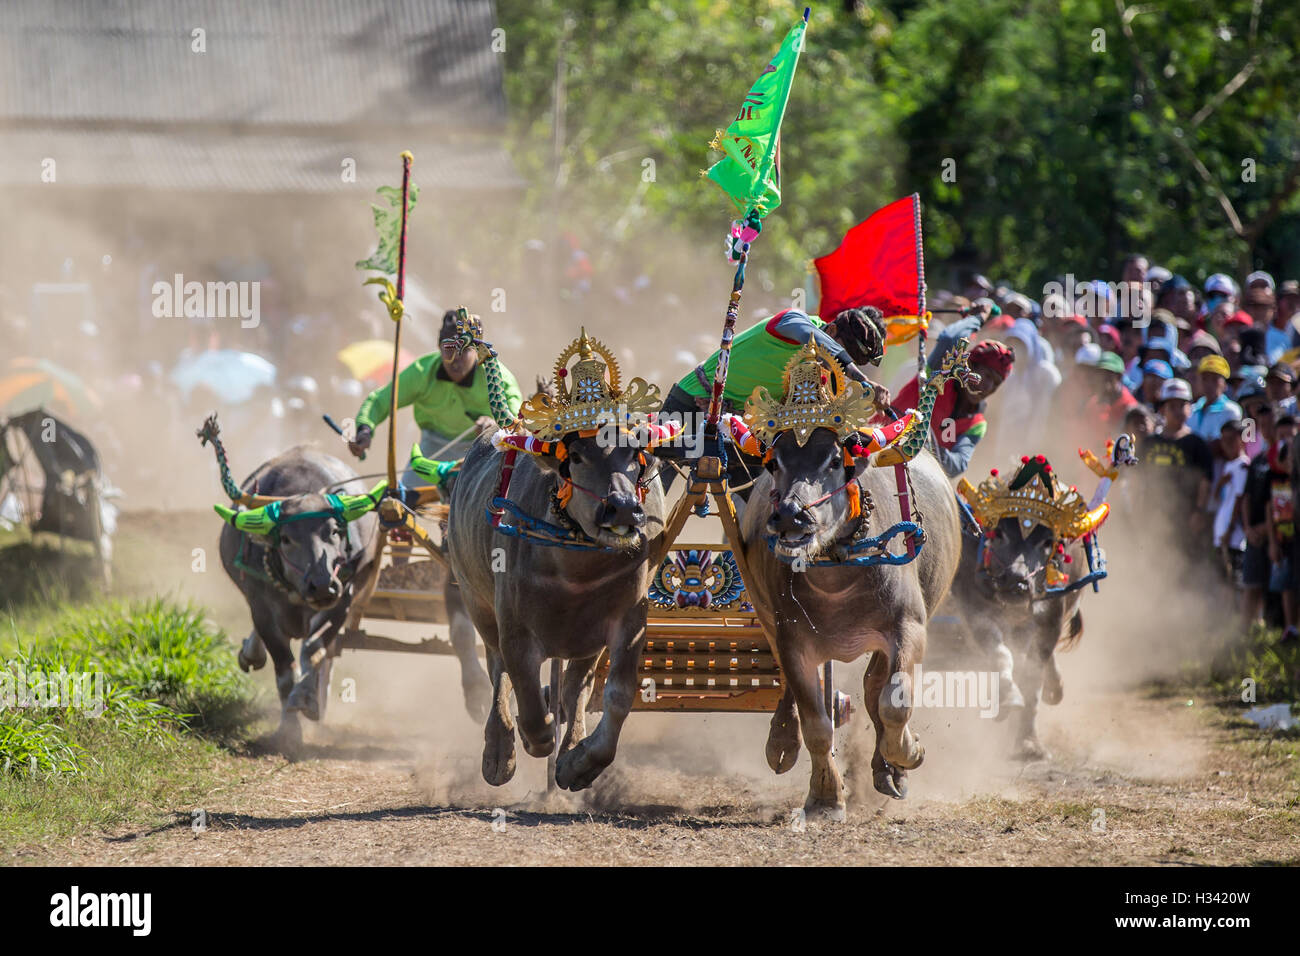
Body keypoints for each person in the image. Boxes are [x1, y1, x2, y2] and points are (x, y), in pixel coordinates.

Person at [658, 305, 891, 489]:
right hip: (690, 403)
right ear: (831, 331)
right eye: (844, 356)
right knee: (649, 488)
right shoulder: (794, 320)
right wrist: (864, 381)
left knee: (763, 504)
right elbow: (816, 340)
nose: (838, 367)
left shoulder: (824, 378)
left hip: (737, 427)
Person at [348, 309, 524, 484]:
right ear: (439, 347)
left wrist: (494, 427)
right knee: (397, 504)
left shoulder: (497, 378)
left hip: (484, 454)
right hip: (432, 454)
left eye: (463, 350)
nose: (455, 358)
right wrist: (364, 429)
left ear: (478, 350)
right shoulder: (421, 372)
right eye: (449, 349)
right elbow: (380, 400)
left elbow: (518, 422)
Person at [890, 308, 1014, 477]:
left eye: (996, 383)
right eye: (986, 376)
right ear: (968, 367)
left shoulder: (977, 424)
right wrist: (979, 317)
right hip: (879, 447)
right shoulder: (938, 374)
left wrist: (928, 445)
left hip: (915, 477)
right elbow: (949, 338)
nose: (988, 387)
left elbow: (958, 464)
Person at [1140, 377, 1212, 545]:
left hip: (1185, 517)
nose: (1178, 411)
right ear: (1163, 409)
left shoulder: (1197, 444)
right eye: (1172, 406)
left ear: (1189, 408)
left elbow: (1205, 480)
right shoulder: (1149, 443)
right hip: (1153, 515)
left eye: (1182, 405)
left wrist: (1199, 511)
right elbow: (1139, 478)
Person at [1265, 415, 1299, 642]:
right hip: (1285, 538)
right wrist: (1273, 541)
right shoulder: (1276, 478)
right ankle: (1290, 627)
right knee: (1287, 583)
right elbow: (1269, 509)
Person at [1188, 354, 1243, 444]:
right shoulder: (1191, 410)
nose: (1209, 384)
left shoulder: (1230, 410)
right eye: (1204, 379)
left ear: (1224, 384)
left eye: (1214, 379)